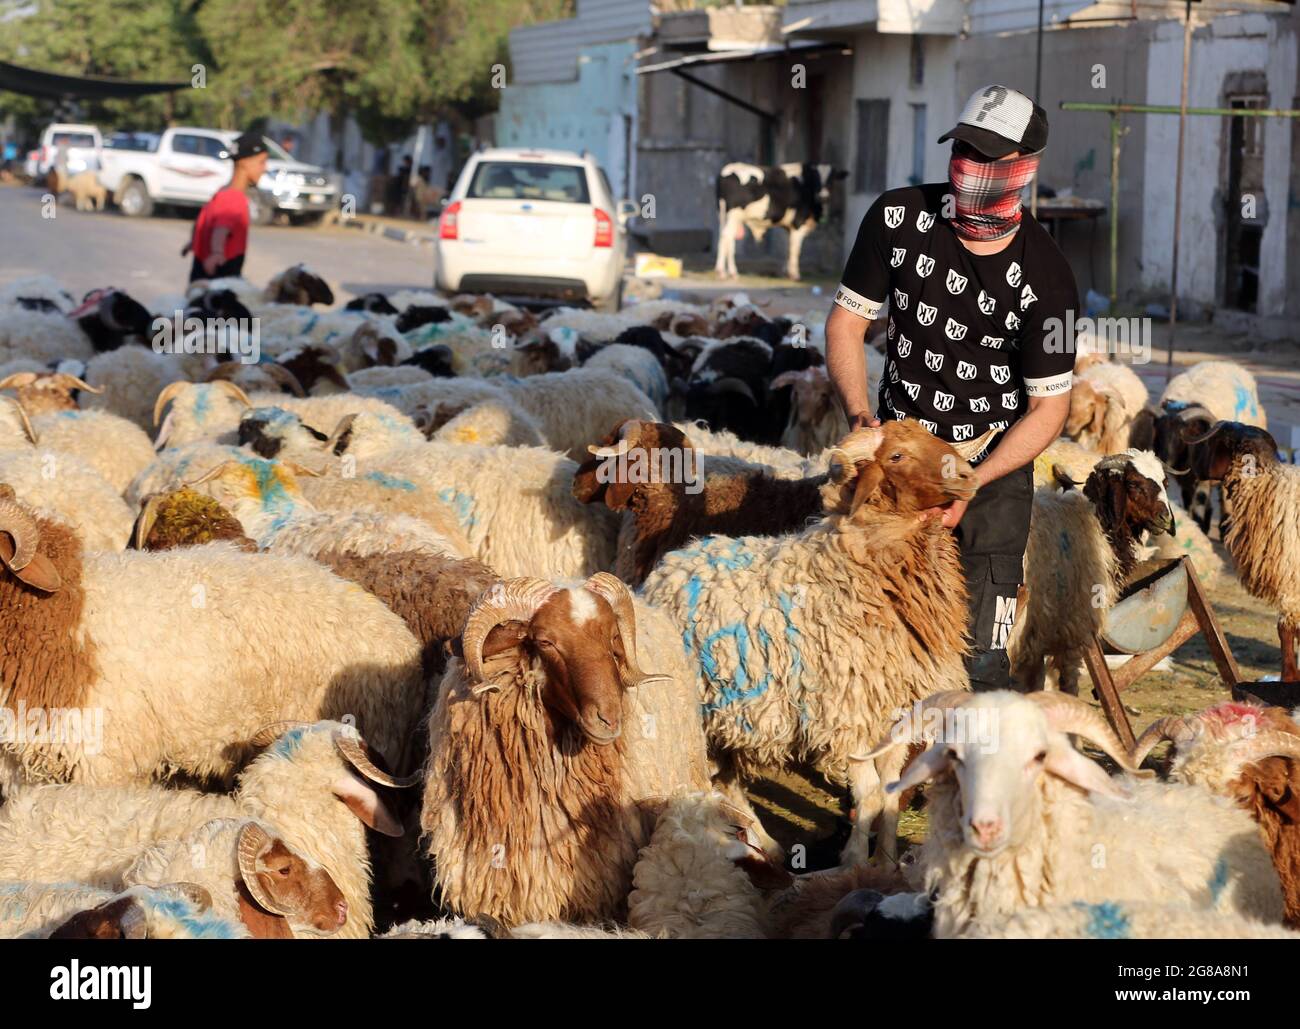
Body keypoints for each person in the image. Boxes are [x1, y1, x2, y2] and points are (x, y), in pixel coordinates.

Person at [824, 85, 1077, 692]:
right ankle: (878, 771)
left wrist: (974, 480)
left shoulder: (1050, 278)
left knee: (981, 650)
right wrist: (862, 418)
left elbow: (1050, 410)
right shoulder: (897, 217)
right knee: (869, 625)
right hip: (899, 454)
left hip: (990, 468)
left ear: (1024, 170)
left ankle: (970, 772)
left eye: (985, 157)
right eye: (961, 149)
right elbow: (846, 323)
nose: (967, 167)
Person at [185, 130, 268, 282]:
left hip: (201, 272)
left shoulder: (222, 192)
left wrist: (194, 241)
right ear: (244, 162)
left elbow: (202, 221)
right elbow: (221, 229)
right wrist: (217, 253)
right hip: (220, 276)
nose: (265, 168)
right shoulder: (235, 197)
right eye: (261, 162)